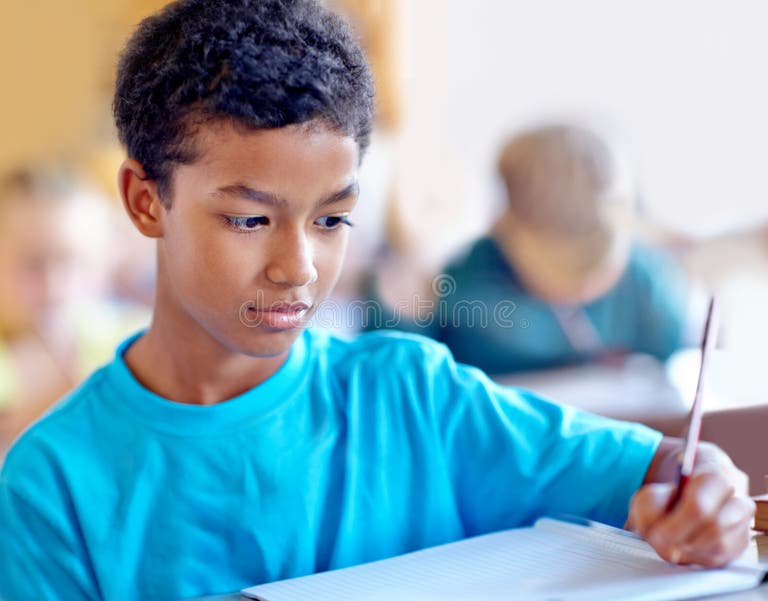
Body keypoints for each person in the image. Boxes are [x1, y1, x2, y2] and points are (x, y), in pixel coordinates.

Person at [0, 2, 753, 600]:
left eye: (331, 220)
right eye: (250, 219)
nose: (297, 269)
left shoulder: (417, 396)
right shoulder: (51, 485)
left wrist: (707, 491)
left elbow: (658, 469)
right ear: (145, 200)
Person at [0, 169, 147, 457]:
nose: (54, 287)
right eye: (33, 264)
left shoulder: (136, 337)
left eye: (73, 262)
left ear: (106, 261)